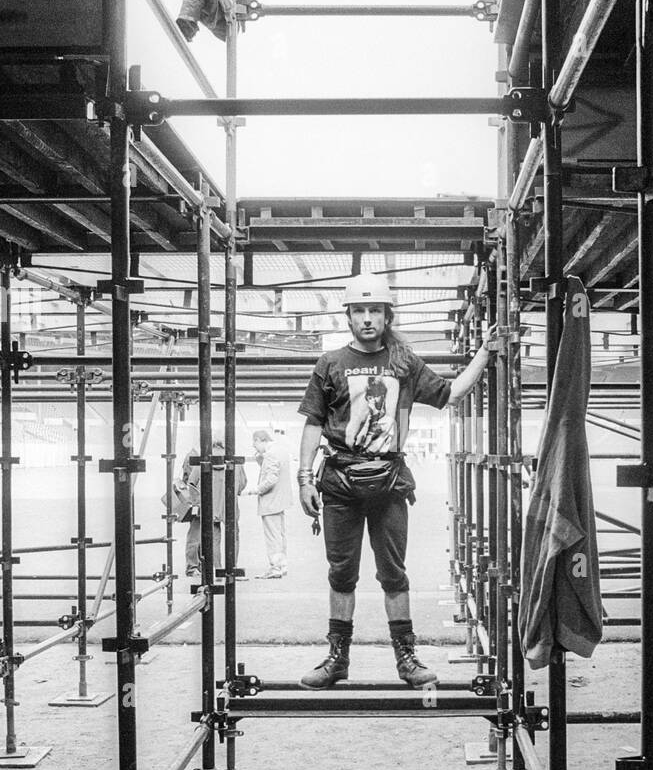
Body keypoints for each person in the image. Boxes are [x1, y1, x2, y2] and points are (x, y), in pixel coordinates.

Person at [296, 273, 497, 689]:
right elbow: (313, 423)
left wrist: (484, 353)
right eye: (359, 311)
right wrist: (303, 478)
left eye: (374, 311)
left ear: (387, 316)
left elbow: (452, 393)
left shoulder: (405, 363)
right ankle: (338, 659)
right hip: (338, 483)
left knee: (393, 573)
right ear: (348, 317)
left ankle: (406, 658)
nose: (367, 318)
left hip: (388, 482)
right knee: (341, 573)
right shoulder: (330, 363)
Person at [183, 442, 247, 578]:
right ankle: (232, 567)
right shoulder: (235, 461)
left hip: (210, 504)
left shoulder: (205, 460)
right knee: (233, 536)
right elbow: (242, 483)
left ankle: (217, 569)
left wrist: (198, 501)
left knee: (214, 537)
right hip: (229, 504)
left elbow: (191, 482)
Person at [247, 430, 292, 578]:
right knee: (279, 535)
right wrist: (261, 458)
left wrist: (256, 490)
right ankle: (282, 565)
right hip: (280, 500)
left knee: (273, 537)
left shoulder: (271, 454)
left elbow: (271, 479)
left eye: (255, 445)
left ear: (260, 440)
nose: (255, 448)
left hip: (271, 501)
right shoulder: (281, 450)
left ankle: (276, 568)